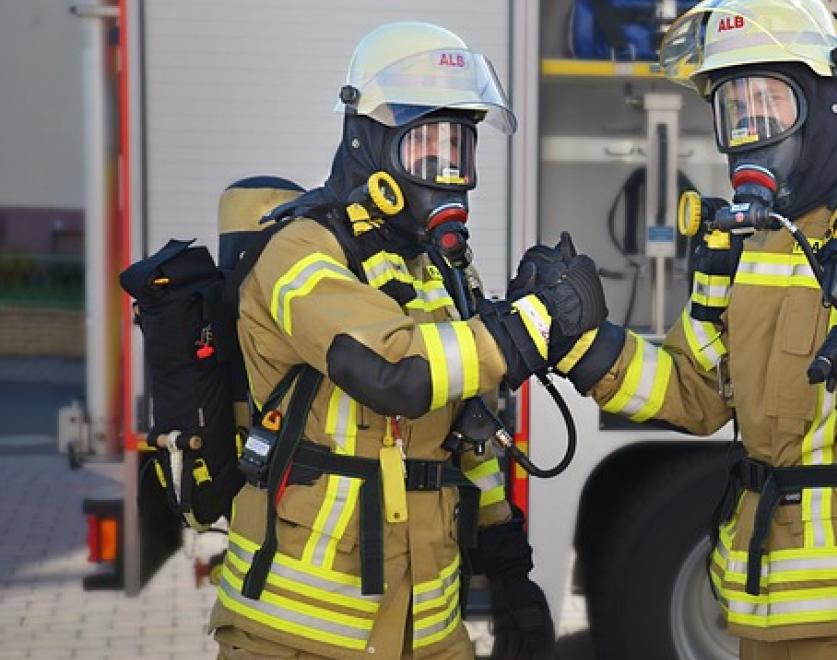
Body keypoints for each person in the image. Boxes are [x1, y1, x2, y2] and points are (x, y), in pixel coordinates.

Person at [508, 1, 837, 658]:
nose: (750, 130)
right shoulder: (753, 240)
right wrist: (582, 342)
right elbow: (696, 392)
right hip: (758, 618)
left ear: (825, 102)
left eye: (769, 102)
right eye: (734, 109)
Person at [207, 22, 600, 660]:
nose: (447, 174)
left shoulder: (434, 271)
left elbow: (469, 434)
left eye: (459, 150)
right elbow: (395, 375)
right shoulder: (301, 252)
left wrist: (509, 571)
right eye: (427, 148)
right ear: (367, 144)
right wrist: (530, 325)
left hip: (429, 631)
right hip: (302, 633)